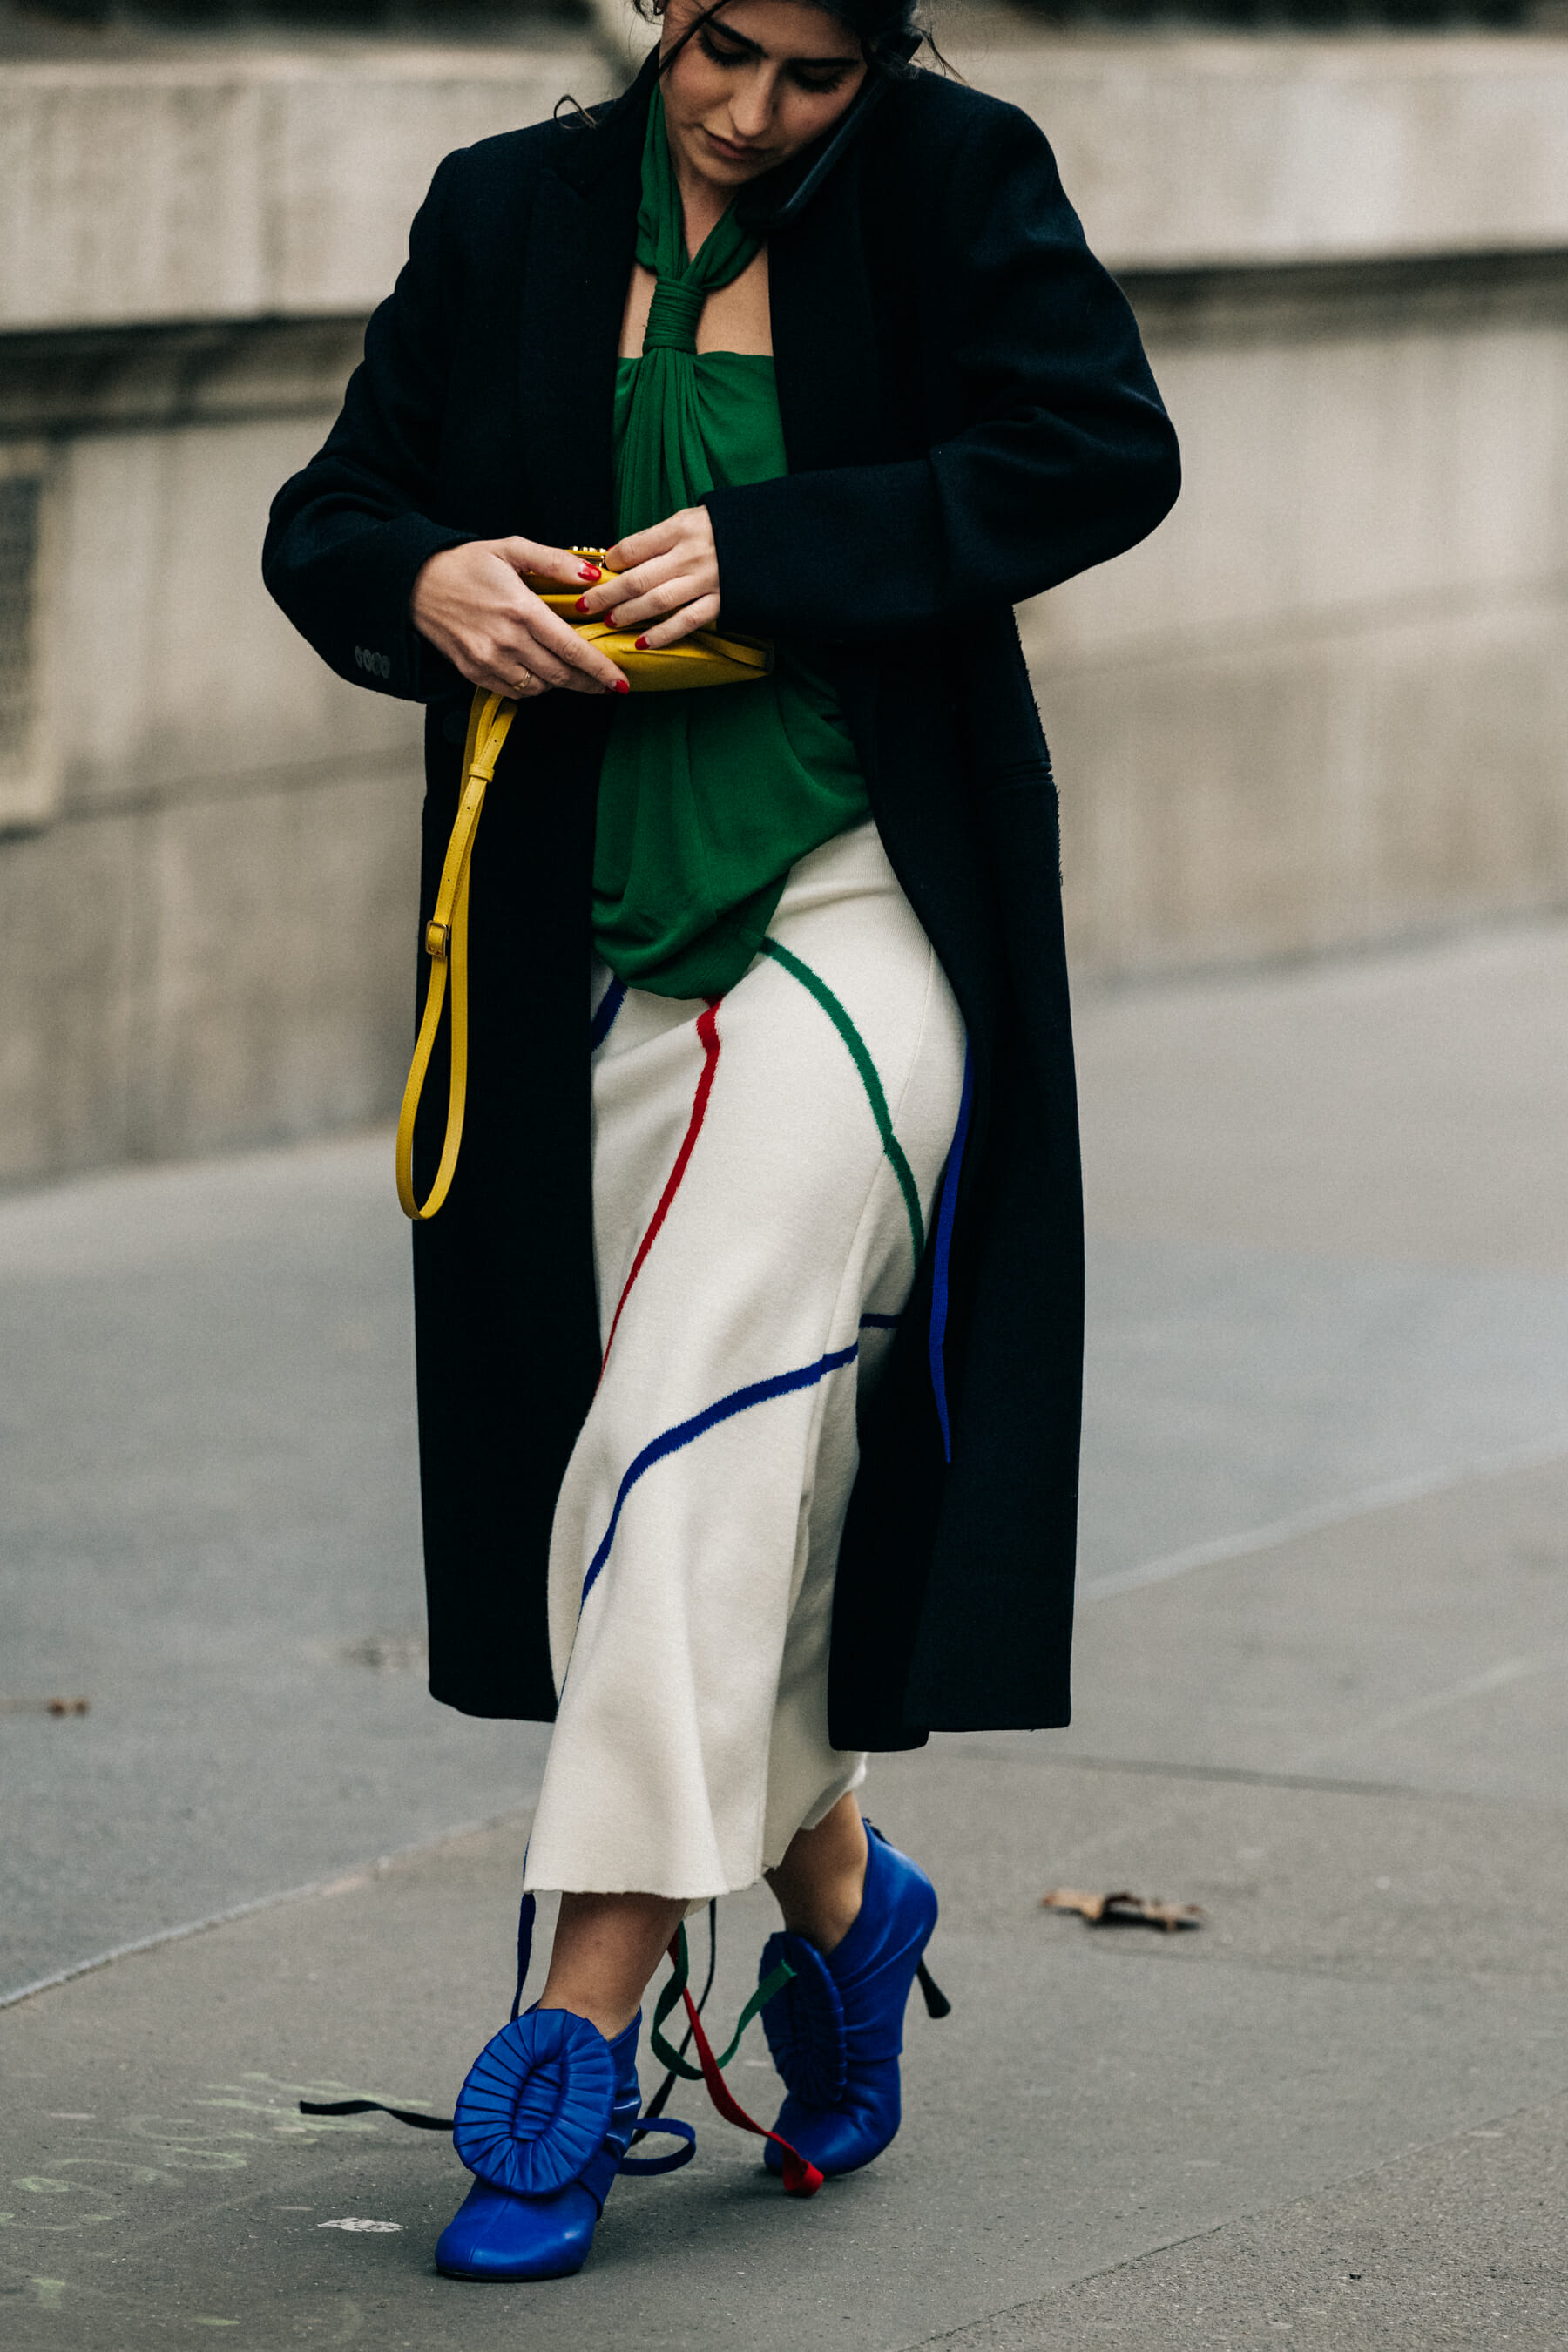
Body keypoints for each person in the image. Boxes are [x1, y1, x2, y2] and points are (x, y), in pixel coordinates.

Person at [263, 0, 1178, 2283]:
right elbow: (333, 516)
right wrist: (424, 583)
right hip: (576, 920)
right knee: (724, 1458)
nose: (758, 108)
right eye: (725, 51)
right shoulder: (511, 211)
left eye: (816, 68)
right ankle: (846, 1907)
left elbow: (1102, 455)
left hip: (872, 899)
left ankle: (575, 2028)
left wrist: (777, 548)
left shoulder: (961, 186)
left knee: (688, 1416)